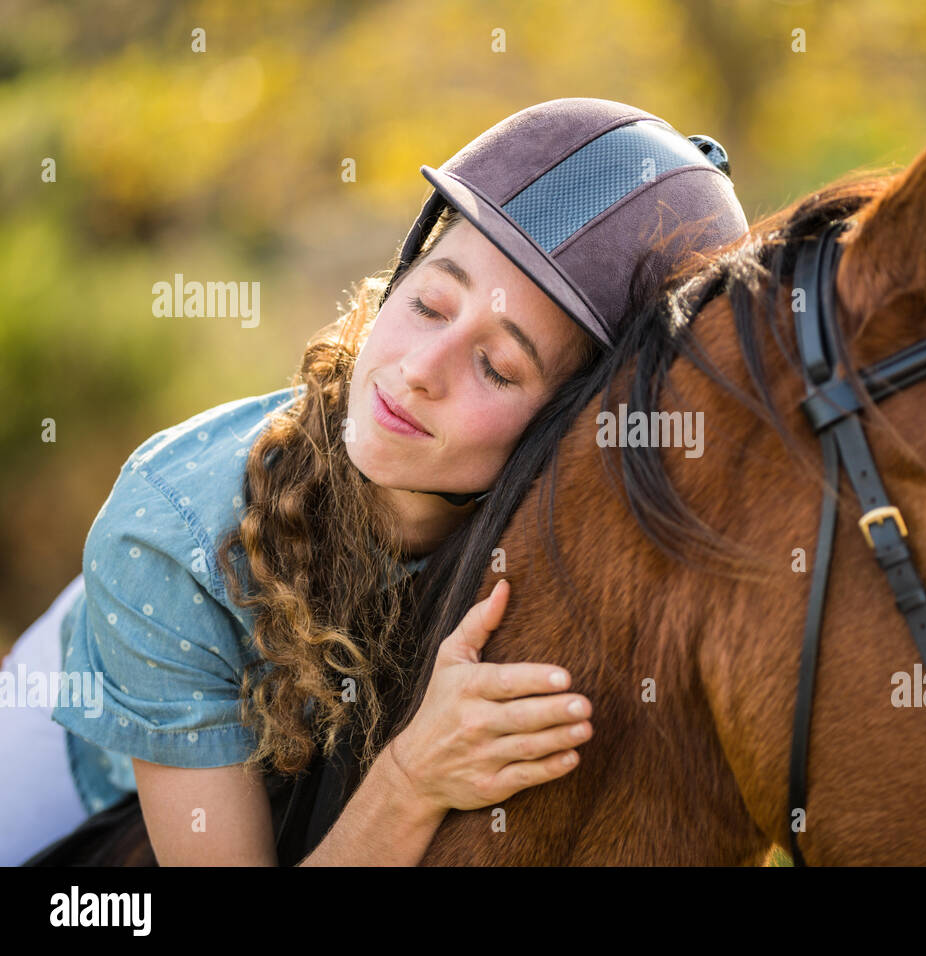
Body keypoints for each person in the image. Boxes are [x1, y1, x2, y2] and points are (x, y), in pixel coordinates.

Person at [0, 98, 748, 865]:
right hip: (93, 739)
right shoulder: (165, 536)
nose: (418, 372)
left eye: (497, 367)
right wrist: (414, 777)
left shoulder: (570, 544)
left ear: (566, 435)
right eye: (429, 303)